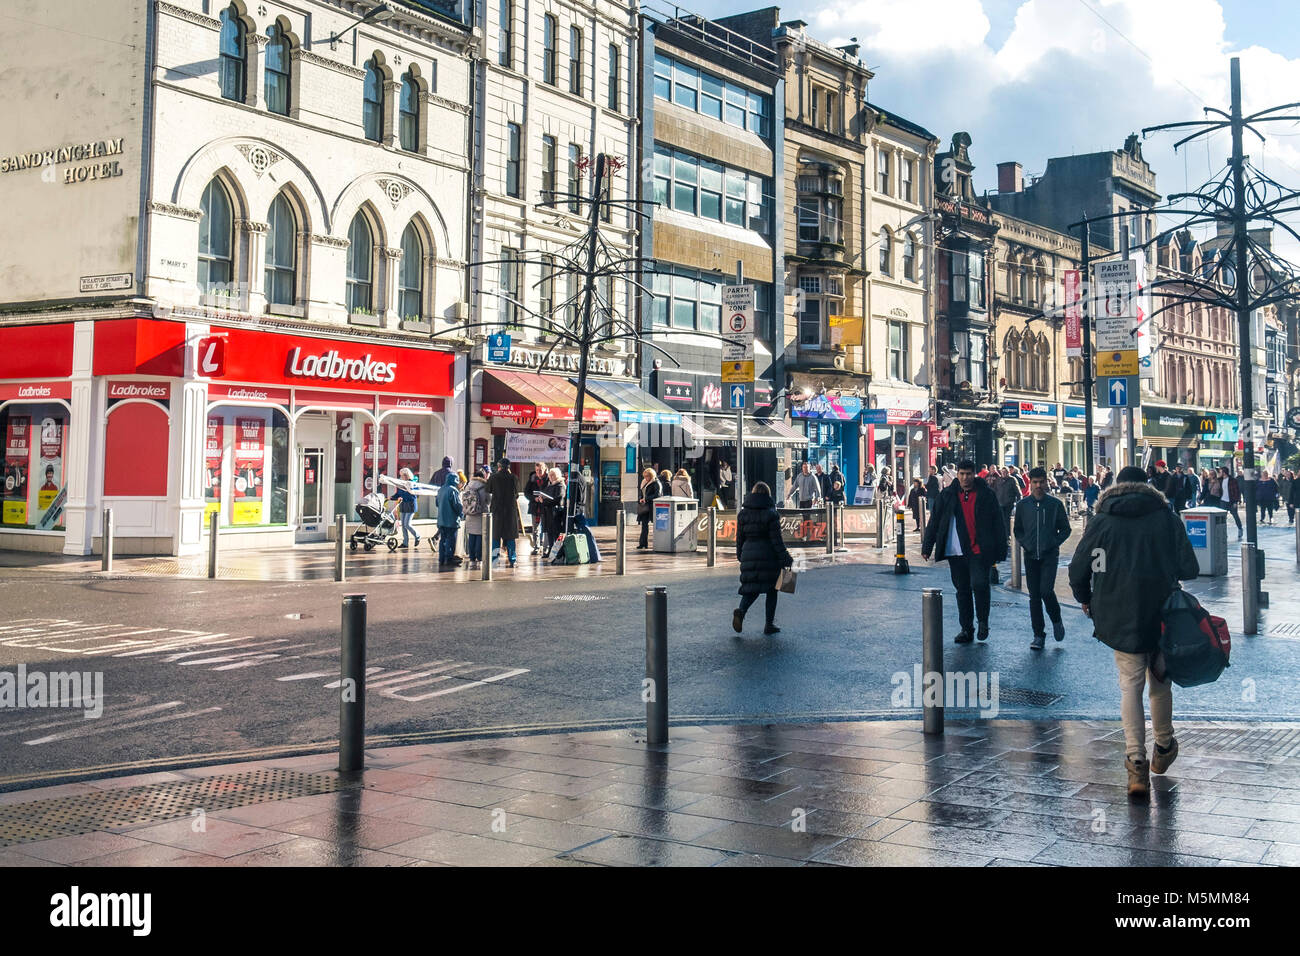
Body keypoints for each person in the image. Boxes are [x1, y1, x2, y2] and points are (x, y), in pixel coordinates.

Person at [1068, 465, 1199, 798]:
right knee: (1159, 679)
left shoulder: (1102, 520)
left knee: (1130, 684)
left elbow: (1079, 567)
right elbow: (1189, 568)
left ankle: (1136, 763)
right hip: (1162, 611)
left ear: (1117, 486)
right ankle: (1165, 745)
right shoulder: (1165, 517)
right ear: (1148, 486)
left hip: (1118, 613)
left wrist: (1086, 598)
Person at [921, 459, 1008, 643]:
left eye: (968, 474)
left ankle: (983, 622)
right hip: (956, 550)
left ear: (974, 474)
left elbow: (998, 523)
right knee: (962, 590)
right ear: (957, 474)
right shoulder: (948, 494)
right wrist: (927, 546)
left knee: (980, 584)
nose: (965, 477)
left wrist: (1001, 549)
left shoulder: (986, 495)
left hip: (979, 549)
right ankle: (966, 628)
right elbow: (935, 521)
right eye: (962, 474)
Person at [1013, 467, 1072, 650]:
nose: (1038, 485)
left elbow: (1066, 529)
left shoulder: (1054, 504)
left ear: (1047, 482)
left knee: (1046, 590)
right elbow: (1018, 530)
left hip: (1049, 555)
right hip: (1030, 556)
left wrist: (1053, 542)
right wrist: (1026, 543)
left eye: (1041, 482)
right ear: (1030, 483)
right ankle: (1038, 634)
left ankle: (1056, 620)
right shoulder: (1023, 505)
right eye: (1035, 482)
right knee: (1034, 596)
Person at [732, 481, 793, 636]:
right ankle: (769, 624)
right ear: (768, 495)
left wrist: (740, 555)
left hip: (748, 553)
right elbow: (776, 540)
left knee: (751, 589)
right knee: (772, 590)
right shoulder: (771, 514)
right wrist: (786, 558)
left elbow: (739, 538)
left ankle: (741, 611)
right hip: (768, 555)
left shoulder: (743, 514)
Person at [486, 458, 520, 567]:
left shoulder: (493, 477)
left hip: (497, 510)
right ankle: (512, 560)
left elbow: (488, 489)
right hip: (510, 511)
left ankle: (494, 560)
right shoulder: (513, 478)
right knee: (510, 538)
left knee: (495, 537)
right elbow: (516, 493)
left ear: (499, 466)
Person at [461, 466, 489, 570]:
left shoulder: (468, 486)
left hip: (469, 515)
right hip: (480, 515)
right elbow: (488, 501)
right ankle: (479, 559)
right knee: (480, 538)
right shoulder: (484, 486)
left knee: (471, 538)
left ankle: (472, 560)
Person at [387, 467, 420, 549]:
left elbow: (411, 495)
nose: (401, 477)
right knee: (403, 525)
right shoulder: (402, 484)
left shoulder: (412, 483)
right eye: (401, 475)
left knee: (407, 524)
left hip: (410, 505)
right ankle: (405, 542)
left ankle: (417, 536)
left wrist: (401, 497)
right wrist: (392, 497)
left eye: (403, 475)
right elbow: (399, 493)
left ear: (407, 475)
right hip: (403, 505)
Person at [435, 472, 462, 568]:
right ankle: (449, 559)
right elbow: (457, 505)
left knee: (443, 540)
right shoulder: (453, 490)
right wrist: (461, 514)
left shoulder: (441, 489)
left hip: (441, 520)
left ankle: (441, 559)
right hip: (451, 520)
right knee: (451, 540)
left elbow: (437, 503)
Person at [524, 462, 547, 551]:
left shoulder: (548, 479)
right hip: (535, 506)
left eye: (540, 470)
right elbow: (526, 493)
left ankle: (545, 547)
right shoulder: (532, 480)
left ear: (545, 469)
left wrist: (544, 498)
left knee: (545, 527)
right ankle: (536, 547)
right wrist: (534, 498)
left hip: (545, 506)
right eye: (537, 470)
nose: (538, 472)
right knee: (535, 528)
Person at [636, 467, 661, 549]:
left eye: (647, 476)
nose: (646, 478)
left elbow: (658, 495)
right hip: (644, 507)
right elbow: (641, 493)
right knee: (644, 525)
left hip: (652, 506)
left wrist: (646, 499)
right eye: (645, 476)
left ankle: (659, 543)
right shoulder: (643, 482)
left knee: (657, 525)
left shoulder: (656, 483)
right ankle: (643, 543)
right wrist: (640, 499)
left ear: (651, 476)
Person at [994, 463, 1021, 537]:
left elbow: (1018, 493)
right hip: (1000, 503)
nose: (1004, 474)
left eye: (1005, 472)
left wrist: (1018, 504)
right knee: (1000, 520)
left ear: (1008, 472)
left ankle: (1008, 535)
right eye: (1002, 472)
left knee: (1007, 520)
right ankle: (1002, 535)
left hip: (1009, 503)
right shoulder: (998, 479)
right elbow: (995, 490)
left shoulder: (1012, 480)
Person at [1219, 466, 1243, 537]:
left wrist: (1236, 501)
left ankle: (1240, 529)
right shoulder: (1220, 480)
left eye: (1220, 472)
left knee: (1235, 515)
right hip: (1223, 500)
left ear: (1224, 472)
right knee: (1223, 517)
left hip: (1232, 500)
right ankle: (1224, 532)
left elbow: (1237, 491)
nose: (1219, 473)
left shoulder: (1232, 480)